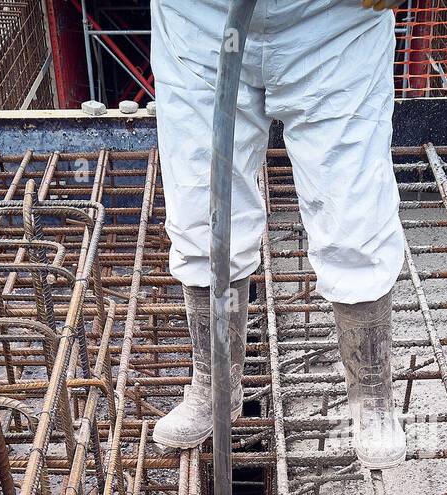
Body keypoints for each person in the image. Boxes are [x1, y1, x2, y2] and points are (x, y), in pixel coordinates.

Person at [150, 0, 407, 469]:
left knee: (353, 211)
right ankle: (215, 386)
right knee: (203, 209)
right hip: (201, 19)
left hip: (334, 19)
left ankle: (372, 398)